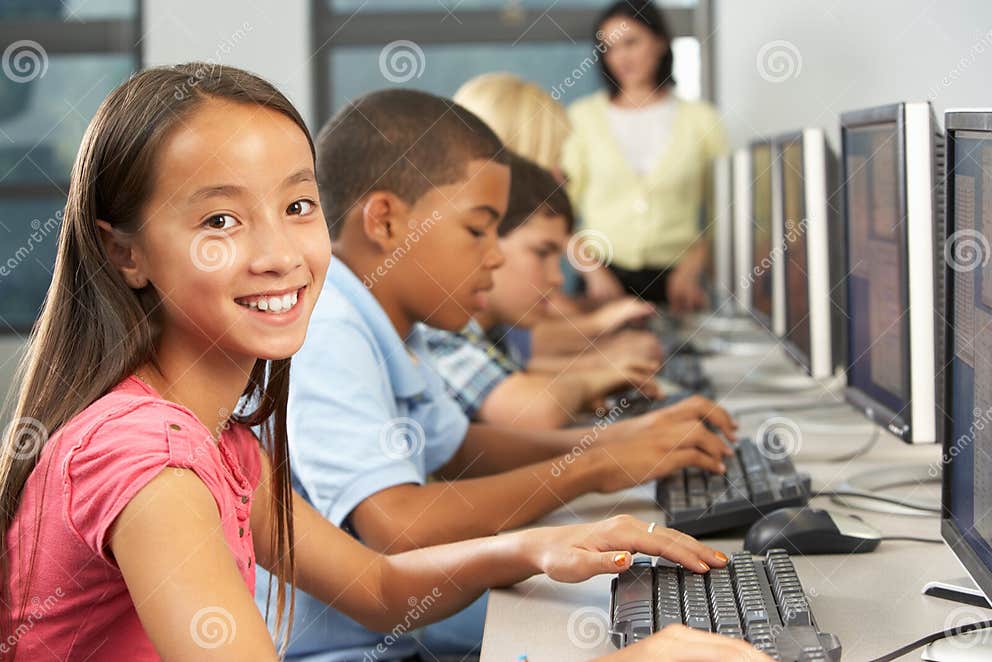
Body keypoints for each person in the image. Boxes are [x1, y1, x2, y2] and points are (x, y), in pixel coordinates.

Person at [0, 63, 770, 662]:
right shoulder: (151, 465)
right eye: (221, 219)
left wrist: (534, 546)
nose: (279, 254)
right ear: (124, 251)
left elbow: (376, 586)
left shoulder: (223, 444)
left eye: (298, 206)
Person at [254, 88, 747, 661]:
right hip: (353, 649)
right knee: (624, 626)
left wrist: (615, 443)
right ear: (386, 221)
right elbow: (398, 526)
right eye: (478, 229)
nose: (495, 255)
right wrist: (588, 468)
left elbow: (462, 447)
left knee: (628, 608)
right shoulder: (328, 330)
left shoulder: (387, 324)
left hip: (400, 627)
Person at [421, 152, 664, 428]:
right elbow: (531, 411)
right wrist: (590, 381)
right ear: (482, 238)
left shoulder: (489, 330)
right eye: (541, 253)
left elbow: (518, 374)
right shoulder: (436, 327)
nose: (557, 278)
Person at [561, 0, 729, 311]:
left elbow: (726, 211)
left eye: (631, 42)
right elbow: (557, 215)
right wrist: (592, 272)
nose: (621, 57)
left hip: (679, 285)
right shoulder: (582, 118)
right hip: (601, 282)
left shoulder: (702, 120)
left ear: (660, 42)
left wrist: (693, 267)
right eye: (609, 48)